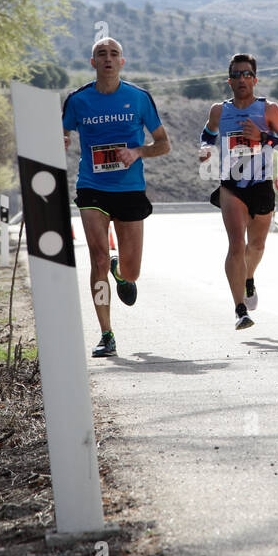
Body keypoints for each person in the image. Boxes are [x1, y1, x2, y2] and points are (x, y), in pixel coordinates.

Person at [62, 37, 170, 357]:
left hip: (129, 188)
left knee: (133, 272)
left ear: (122, 62)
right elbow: (62, 132)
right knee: (95, 258)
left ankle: (119, 270)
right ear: (92, 62)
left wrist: (137, 151)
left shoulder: (138, 98)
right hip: (92, 186)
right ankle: (106, 333)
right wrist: (61, 140)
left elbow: (163, 144)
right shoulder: (77, 100)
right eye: (101, 54)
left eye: (114, 54)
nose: (108, 59)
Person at [199, 54, 278, 330]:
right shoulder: (219, 110)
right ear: (229, 81)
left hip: (261, 184)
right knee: (236, 244)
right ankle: (240, 308)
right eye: (237, 75)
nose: (242, 79)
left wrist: (263, 137)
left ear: (255, 79)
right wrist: (205, 148)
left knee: (257, 245)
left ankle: (249, 277)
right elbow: (208, 133)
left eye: (247, 74)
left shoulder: (269, 110)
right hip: (231, 185)